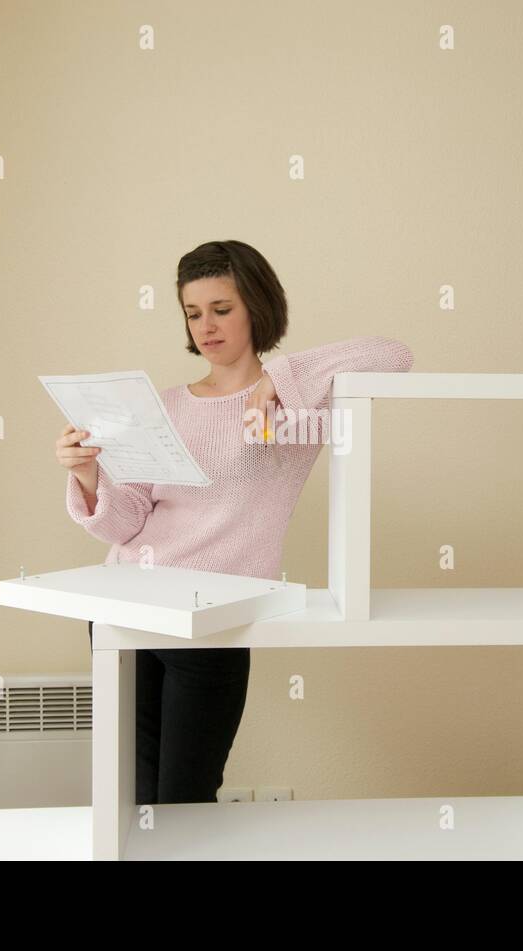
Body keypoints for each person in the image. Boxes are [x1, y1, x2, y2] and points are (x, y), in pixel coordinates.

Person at [55, 239, 413, 805]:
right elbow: (127, 524)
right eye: (193, 314)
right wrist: (91, 477)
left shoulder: (294, 405)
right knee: (132, 797)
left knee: (186, 796)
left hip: (211, 618)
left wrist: (280, 376)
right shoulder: (166, 405)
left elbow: (394, 355)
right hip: (124, 604)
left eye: (222, 309)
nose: (207, 327)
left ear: (257, 307)